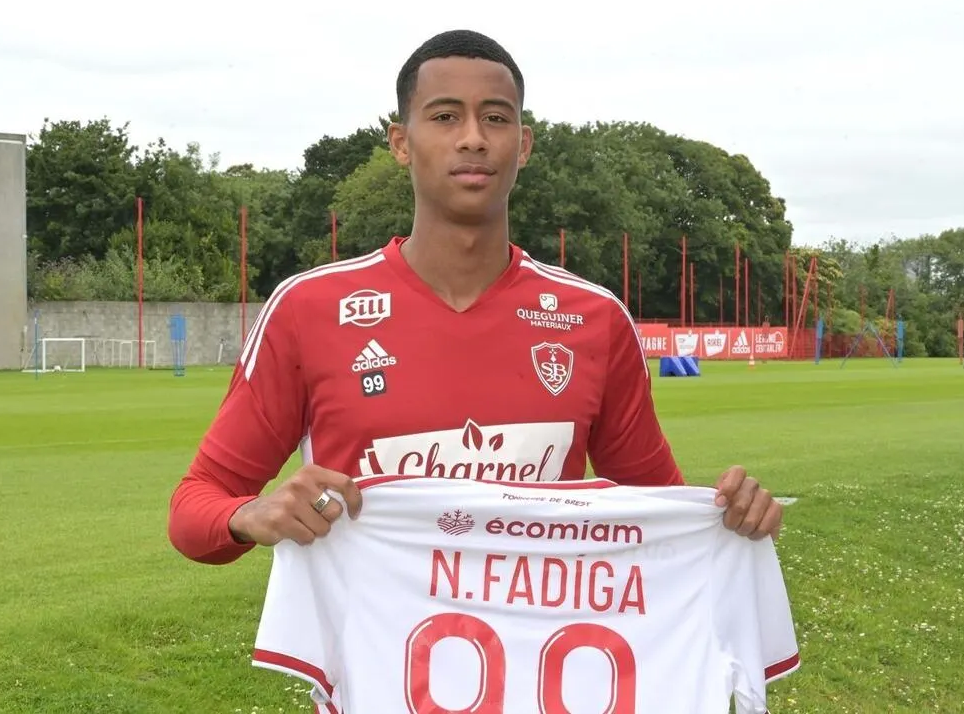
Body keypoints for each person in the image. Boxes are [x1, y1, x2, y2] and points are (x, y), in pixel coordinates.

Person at [167, 29, 783, 566]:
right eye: (443, 117)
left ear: (525, 144)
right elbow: (196, 507)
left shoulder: (595, 319)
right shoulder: (309, 308)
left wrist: (728, 520)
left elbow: (659, 517)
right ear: (400, 142)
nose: (473, 138)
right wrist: (251, 515)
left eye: (495, 117)